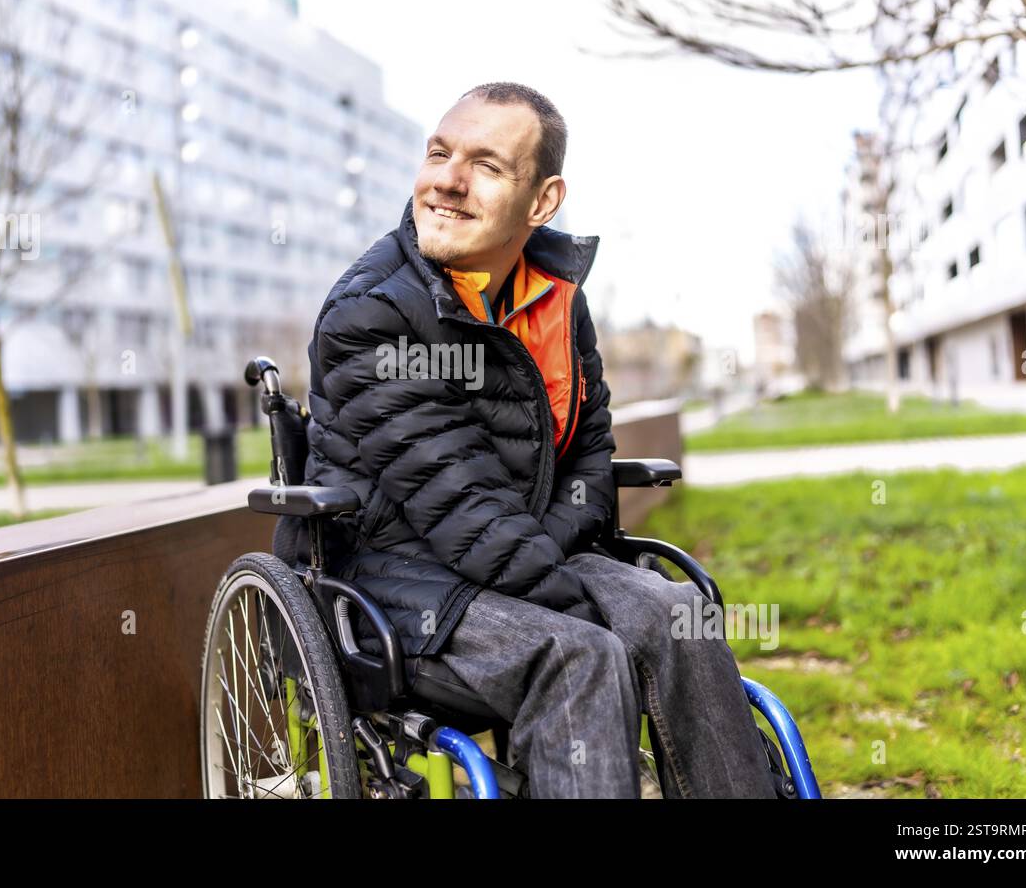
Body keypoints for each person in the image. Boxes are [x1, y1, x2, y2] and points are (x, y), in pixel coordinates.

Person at [302, 81, 777, 798]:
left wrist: (563, 556)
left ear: (543, 201)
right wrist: (584, 607)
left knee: (674, 615)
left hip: (523, 551)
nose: (448, 183)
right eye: (439, 154)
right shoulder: (371, 314)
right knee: (580, 655)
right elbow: (457, 507)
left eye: (487, 166)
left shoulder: (556, 296)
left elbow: (589, 449)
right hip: (402, 579)